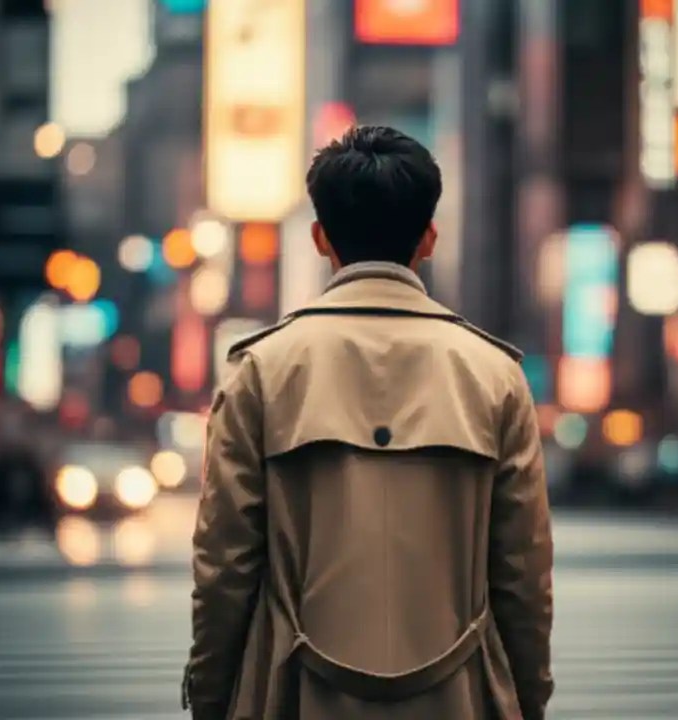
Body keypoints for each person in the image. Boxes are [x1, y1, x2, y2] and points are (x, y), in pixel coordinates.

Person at [182, 126, 554, 720]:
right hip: (457, 699)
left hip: (296, 695)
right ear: (428, 239)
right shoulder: (494, 376)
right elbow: (522, 576)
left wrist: (209, 698)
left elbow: (225, 568)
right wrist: (527, 699)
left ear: (319, 237)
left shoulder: (262, 370)